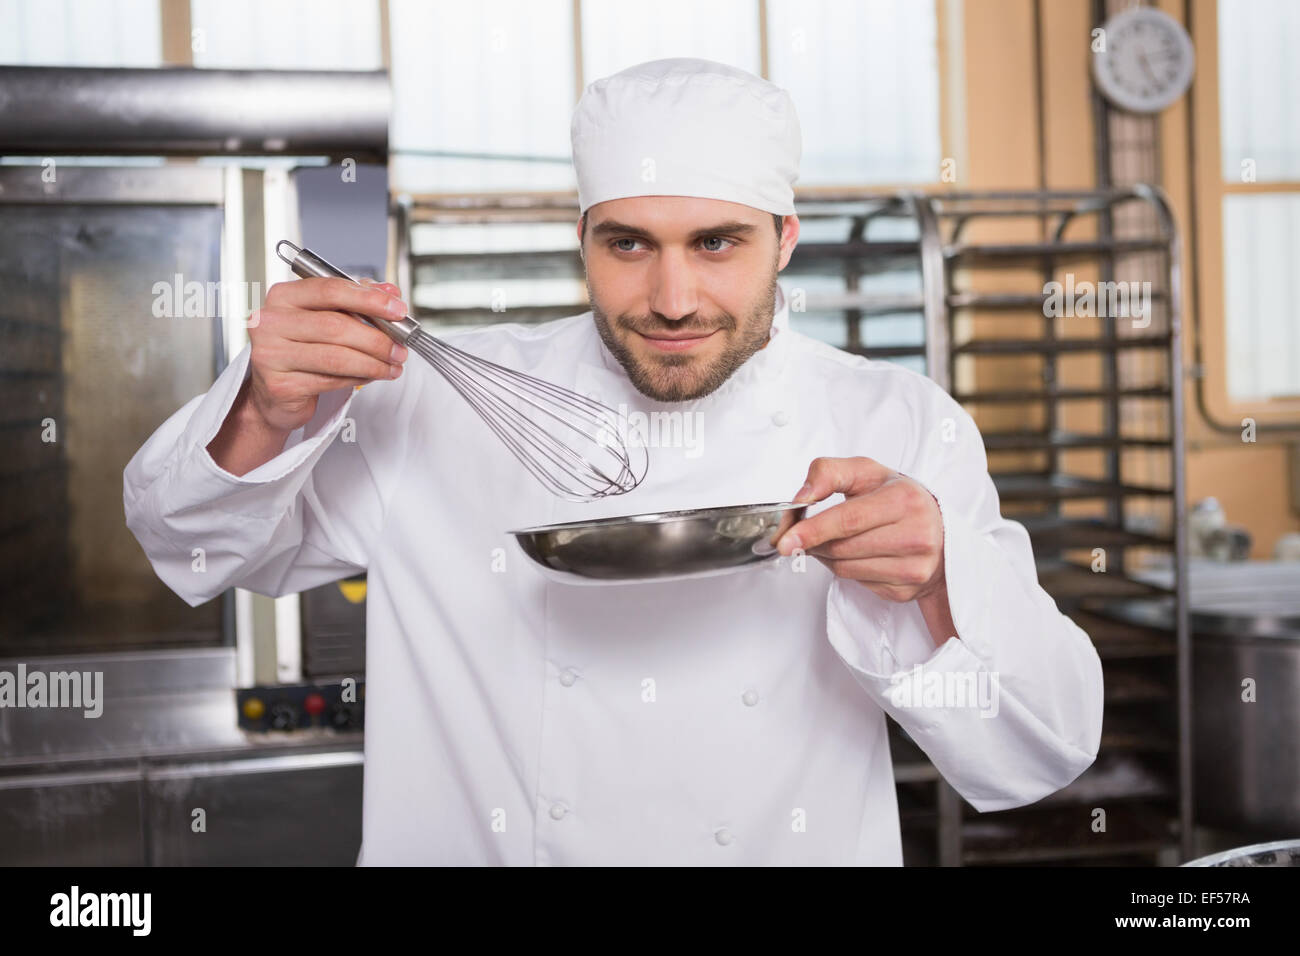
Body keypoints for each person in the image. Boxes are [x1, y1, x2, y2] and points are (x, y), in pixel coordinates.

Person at [124, 58, 1103, 865]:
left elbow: (1039, 752)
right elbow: (190, 550)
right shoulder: (434, 402)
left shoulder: (894, 423)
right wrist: (263, 403)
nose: (672, 297)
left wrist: (940, 586)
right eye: (628, 244)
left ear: (785, 242)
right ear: (581, 239)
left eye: (717, 243)